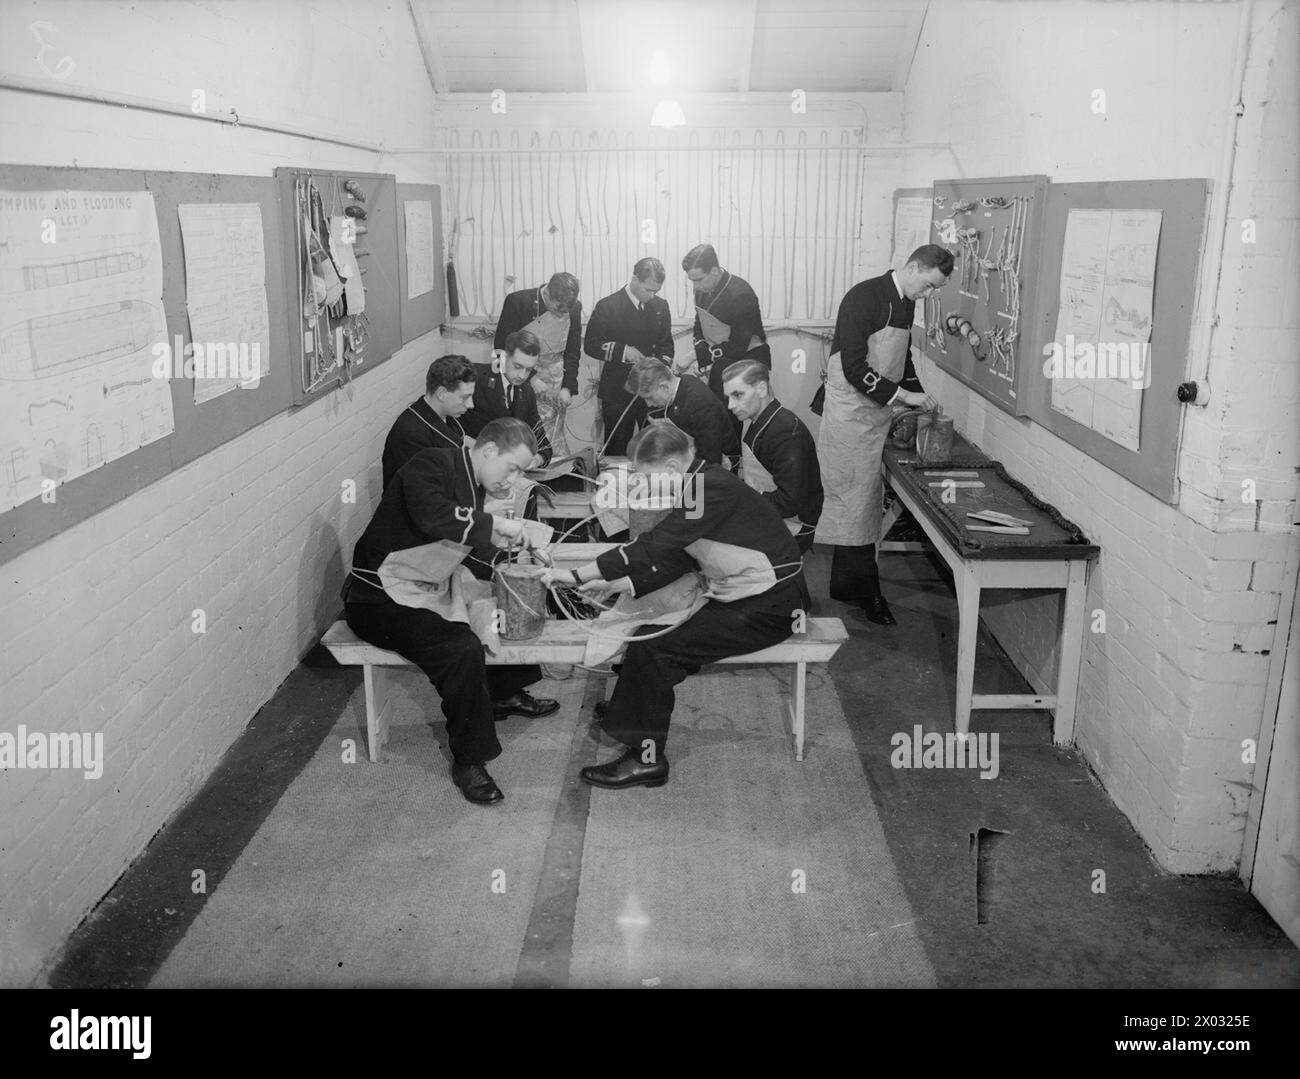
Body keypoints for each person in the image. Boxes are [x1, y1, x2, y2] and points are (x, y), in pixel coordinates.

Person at [543, 422, 807, 790]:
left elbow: (653, 546)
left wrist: (578, 575)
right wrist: (624, 583)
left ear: (669, 468)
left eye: (645, 476)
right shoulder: (701, 481)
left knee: (657, 647)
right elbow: (684, 556)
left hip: (772, 607)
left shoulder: (708, 489)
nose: (643, 484)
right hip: (751, 594)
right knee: (645, 631)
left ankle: (646, 759)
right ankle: (633, 714)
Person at [344, 418, 561, 806]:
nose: (513, 480)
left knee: (494, 601)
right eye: (512, 468)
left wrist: (514, 559)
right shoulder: (430, 464)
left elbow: (464, 540)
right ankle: (469, 759)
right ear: (489, 450)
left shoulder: (474, 485)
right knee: (459, 647)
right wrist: (495, 524)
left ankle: (504, 693)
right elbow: (436, 516)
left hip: (422, 586)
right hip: (378, 599)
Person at [816, 244, 950, 625]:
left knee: (862, 506)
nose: (926, 296)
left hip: (875, 410)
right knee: (853, 503)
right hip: (848, 415)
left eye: (933, 291)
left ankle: (848, 586)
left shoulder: (906, 301)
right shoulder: (863, 297)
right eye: (926, 286)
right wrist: (901, 395)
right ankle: (865, 592)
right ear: (911, 267)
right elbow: (855, 367)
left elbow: (902, 357)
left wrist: (918, 393)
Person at [721, 360, 823, 554]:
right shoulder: (761, 421)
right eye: (728, 397)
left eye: (738, 395)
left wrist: (742, 499)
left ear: (761, 388)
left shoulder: (785, 432)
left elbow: (790, 502)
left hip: (793, 526)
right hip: (771, 515)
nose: (731, 405)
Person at [683, 242, 769, 464]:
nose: (695, 285)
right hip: (721, 362)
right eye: (692, 280)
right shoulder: (702, 290)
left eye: (699, 279)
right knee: (716, 416)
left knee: (732, 420)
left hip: (747, 362)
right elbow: (698, 325)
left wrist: (700, 356)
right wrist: (700, 346)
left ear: (714, 270)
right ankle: (718, 464)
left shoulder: (741, 293)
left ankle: (733, 466)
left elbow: (738, 345)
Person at [494, 271, 594, 455]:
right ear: (547, 293)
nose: (562, 313)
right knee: (523, 431)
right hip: (520, 375)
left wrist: (568, 387)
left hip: (555, 379)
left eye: (566, 310)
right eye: (558, 308)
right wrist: (529, 378)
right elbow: (501, 347)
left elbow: (572, 350)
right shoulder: (517, 302)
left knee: (552, 430)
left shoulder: (574, 308)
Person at [583, 257, 675, 456]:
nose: (652, 296)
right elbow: (590, 345)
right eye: (648, 290)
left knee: (653, 447)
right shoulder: (608, 305)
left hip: (652, 392)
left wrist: (658, 368)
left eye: (656, 291)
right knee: (616, 445)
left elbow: (667, 346)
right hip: (617, 390)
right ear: (635, 279)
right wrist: (624, 351)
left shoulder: (660, 307)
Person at [382, 354, 476, 488]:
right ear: (442, 393)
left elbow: (460, 440)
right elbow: (424, 495)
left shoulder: (443, 413)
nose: (470, 404)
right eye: (464, 397)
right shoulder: (410, 434)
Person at [462, 330, 551, 469]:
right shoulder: (475, 378)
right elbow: (449, 426)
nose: (522, 375)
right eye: (517, 366)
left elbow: (542, 442)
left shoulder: (526, 392)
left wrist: (537, 460)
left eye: (528, 370)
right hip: (473, 466)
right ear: (503, 357)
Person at [624, 356, 734, 468]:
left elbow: (710, 462)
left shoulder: (701, 404)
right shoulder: (677, 386)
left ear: (664, 387)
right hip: (686, 463)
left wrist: (680, 483)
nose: (648, 404)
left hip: (715, 469)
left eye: (650, 398)